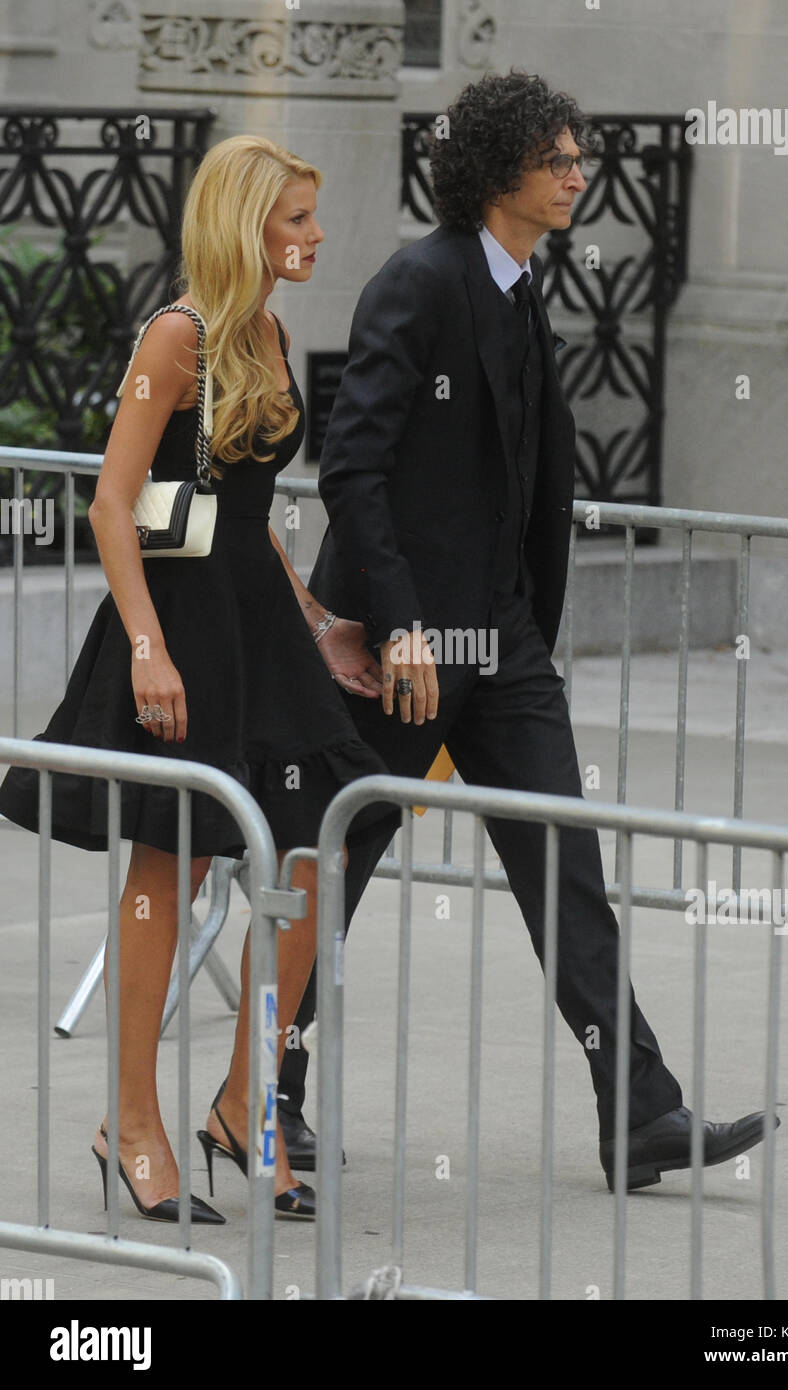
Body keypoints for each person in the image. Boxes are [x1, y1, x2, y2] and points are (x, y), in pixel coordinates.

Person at [278, 71, 779, 1192]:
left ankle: (640, 1112)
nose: (575, 176)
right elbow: (353, 467)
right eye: (556, 160)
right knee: (336, 863)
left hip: (502, 647)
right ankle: (266, 1093)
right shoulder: (418, 280)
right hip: (413, 649)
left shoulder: (519, 286)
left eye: (574, 158)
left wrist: (514, 632)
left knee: (567, 874)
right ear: (499, 169)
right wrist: (398, 629)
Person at [0, 134, 392, 1222]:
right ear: (245, 223)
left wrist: (319, 623)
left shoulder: (265, 326)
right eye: (297, 219)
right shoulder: (176, 336)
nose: (315, 237)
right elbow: (112, 503)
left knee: (323, 839)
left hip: (257, 624)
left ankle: (245, 1104)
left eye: (313, 217)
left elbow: (248, 518)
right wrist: (144, 648)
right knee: (164, 871)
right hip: (174, 627)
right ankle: (130, 1124)